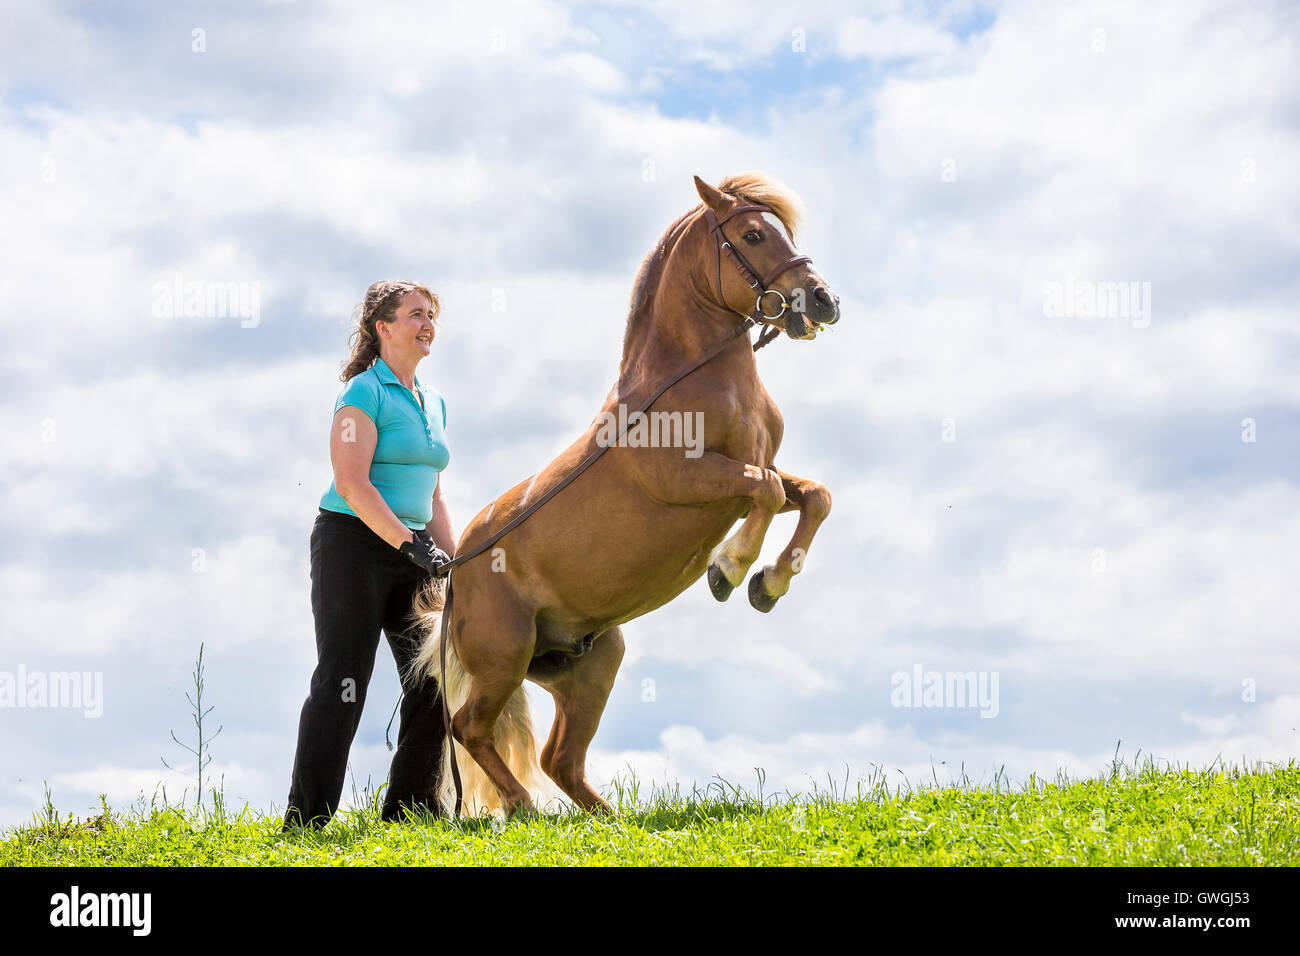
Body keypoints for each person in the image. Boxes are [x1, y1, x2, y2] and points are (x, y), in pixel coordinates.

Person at [282, 279, 454, 830]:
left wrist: (455, 562)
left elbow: (432, 492)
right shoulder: (363, 393)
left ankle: (410, 814)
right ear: (383, 327)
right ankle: (306, 821)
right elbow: (353, 484)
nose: (427, 324)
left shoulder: (434, 402)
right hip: (352, 545)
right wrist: (411, 543)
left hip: (417, 552)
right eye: (415, 315)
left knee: (434, 678)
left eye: (431, 315)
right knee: (343, 678)